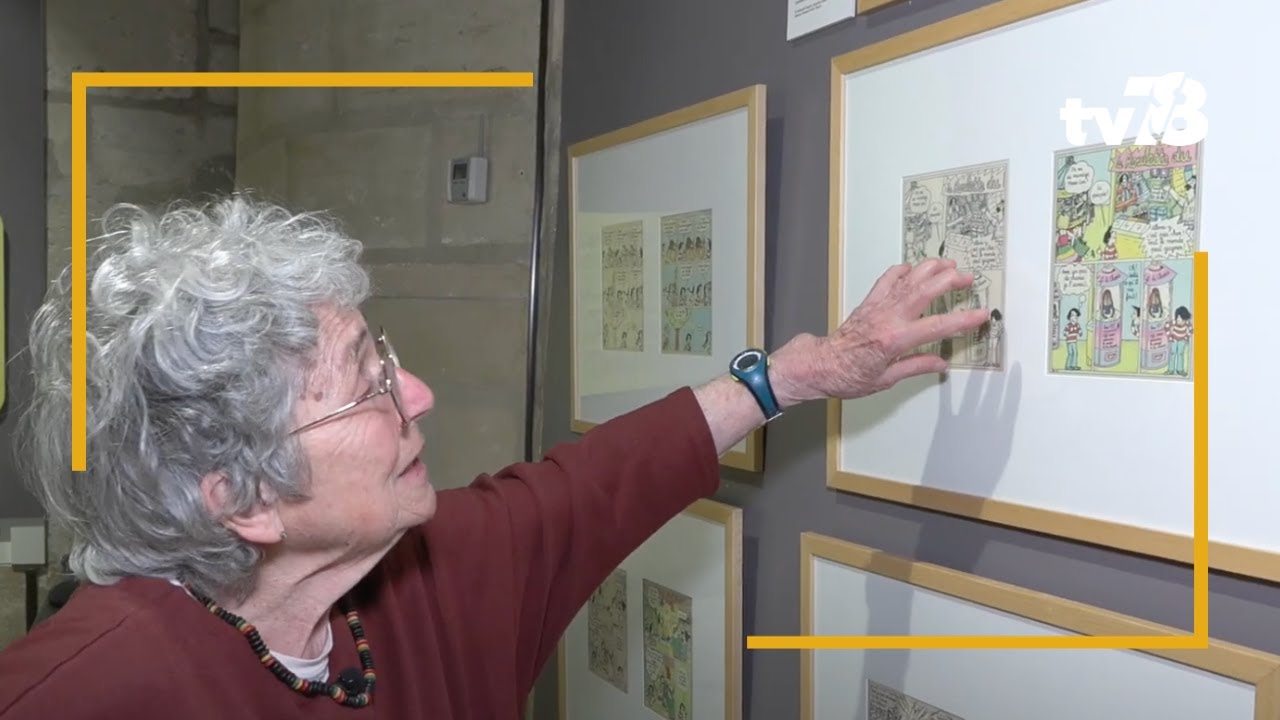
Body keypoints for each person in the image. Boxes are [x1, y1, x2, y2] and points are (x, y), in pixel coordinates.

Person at [0, 195, 989, 718]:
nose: (418, 393)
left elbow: (588, 488)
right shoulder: (82, 695)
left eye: (381, 355)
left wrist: (798, 374)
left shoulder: (421, 575)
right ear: (245, 500)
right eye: (366, 382)